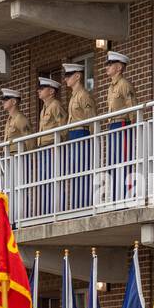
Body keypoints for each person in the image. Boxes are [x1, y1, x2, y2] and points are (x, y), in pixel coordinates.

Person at [104, 50, 137, 199]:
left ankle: (126, 194)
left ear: (119, 67)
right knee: (113, 161)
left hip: (123, 124)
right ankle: (116, 194)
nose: (107, 67)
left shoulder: (124, 84)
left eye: (110, 64)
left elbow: (132, 108)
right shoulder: (111, 87)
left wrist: (133, 126)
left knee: (123, 160)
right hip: (113, 125)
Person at [62, 62, 95, 210]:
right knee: (75, 170)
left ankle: (84, 203)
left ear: (77, 76)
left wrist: (94, 137)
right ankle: (77, 203)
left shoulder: (83, 95)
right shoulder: (73, 96)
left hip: (82, 132)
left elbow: (91, 119)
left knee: (83, 168)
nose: (66, 79)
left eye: (68, 76)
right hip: (73, 133)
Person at [36, 76, 66, 216]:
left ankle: (54, 209)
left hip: (52, 146)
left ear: (51, 91)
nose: (39, 91)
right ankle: (46, 210)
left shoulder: (55, 105)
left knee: (53, 178)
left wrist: (59, 144)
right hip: (43, 147)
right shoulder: (43, 109)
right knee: (44, 179)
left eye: (42, 88)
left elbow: (62, 126)